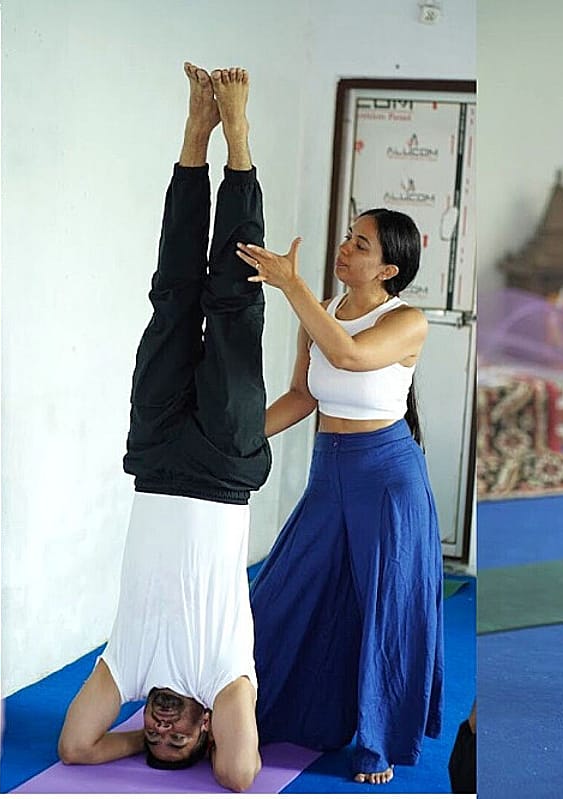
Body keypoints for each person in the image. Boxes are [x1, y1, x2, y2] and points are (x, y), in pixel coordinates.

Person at [55, 64, 268, 792]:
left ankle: (193, 135)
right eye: (179, 738)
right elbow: (240, 775)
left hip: (153, 456)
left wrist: (142, 752)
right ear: (207, 725)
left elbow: (78, 747)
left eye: (156, 738)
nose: (161, 727)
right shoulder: (224, 676)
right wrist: (208, 747)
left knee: (173, 298)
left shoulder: (130, 665)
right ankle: (238, 137)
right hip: (222, 468)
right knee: (235, 308)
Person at [239, 194, 444, 781]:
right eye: (349, 236)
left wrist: (290, 286)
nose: (346, 248)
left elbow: (350, 355)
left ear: (388, 270)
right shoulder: (323, 308)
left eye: (361, 244)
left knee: (388, 608)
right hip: (329, 473)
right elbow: (304, 395)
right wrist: (239, 440)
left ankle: (377, 743)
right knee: (284, 590)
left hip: (387, 478)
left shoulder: (407, 321)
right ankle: (257, 708)